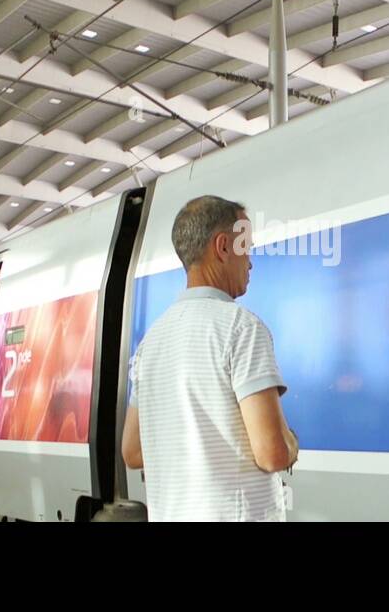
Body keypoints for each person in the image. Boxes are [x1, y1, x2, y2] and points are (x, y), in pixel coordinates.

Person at [121, 195, 298, 521]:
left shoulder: (150, 343)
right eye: (246, 246)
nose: (251, 260)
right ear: (223, 247)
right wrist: (292, 443)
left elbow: (132, 451)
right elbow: (273, 454)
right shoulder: (242, 328)